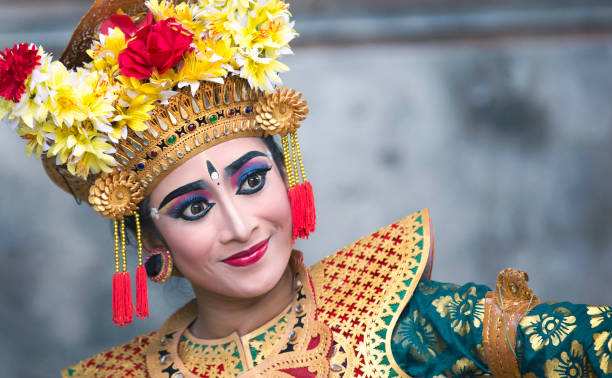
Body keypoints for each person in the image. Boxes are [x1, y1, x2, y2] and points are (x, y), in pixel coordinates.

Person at [1, 0, 610, 377]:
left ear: (286, 171)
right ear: (148, 233)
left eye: (252, 181)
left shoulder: (404, 319)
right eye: (192, 208)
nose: (239, 226)